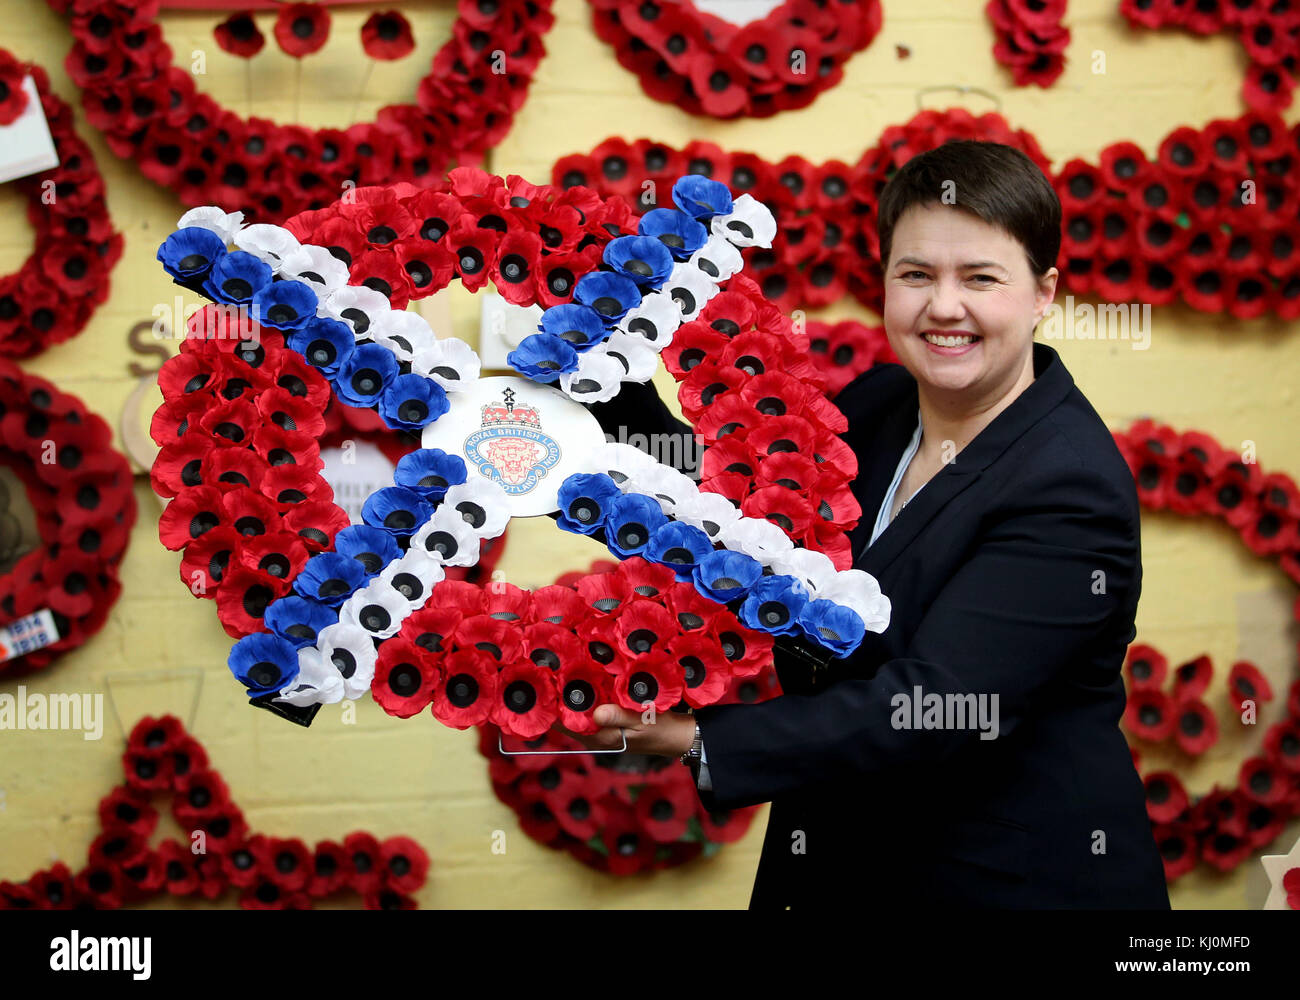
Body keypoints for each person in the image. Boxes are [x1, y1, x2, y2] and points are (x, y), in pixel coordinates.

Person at [564, 139, 1170, 909]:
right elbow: (738, 518)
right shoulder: (880, 404)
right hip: (841, 855)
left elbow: (937, 706)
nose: (943, 306)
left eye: (980, 278)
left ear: (1044, 291)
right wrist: (605, 374)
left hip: (1001, 881)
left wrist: (697, 741)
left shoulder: (1067, 483)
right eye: (916, 274)